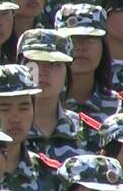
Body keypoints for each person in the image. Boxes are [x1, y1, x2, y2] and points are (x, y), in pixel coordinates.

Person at [16, 28, 89, 161]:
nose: (43, 71)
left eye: (53, 64)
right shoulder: (8, 127)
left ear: (67, 72)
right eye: (35, 62)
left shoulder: (84, 129)